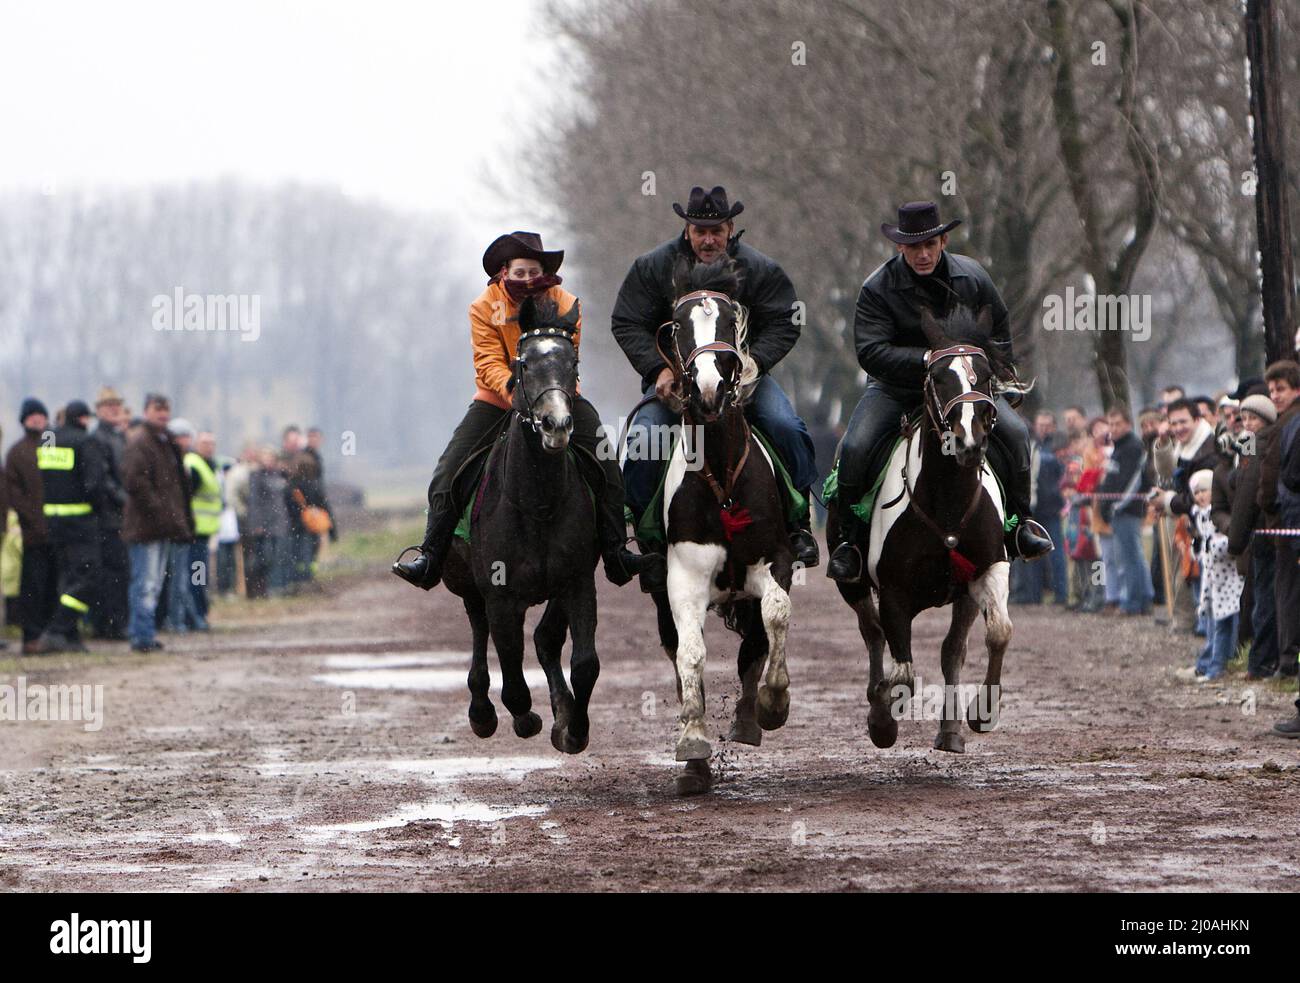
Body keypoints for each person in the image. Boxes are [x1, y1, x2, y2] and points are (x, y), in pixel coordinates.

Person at [393, 231, 662, 591]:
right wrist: (513, 390)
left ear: (544, 273)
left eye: (532, 272)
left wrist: (547, 394)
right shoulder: (483, 307)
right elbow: (487, 360)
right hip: (497, 399)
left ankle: (616, 551)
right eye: (519, 272)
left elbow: (566, 359)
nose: (526, 279)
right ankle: (431, 555)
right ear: (503, 271)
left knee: (607, 463)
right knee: (447, 471)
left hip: (558, 397)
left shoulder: (567, 304)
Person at [826, 201, 1052, 582]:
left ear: (944, 240)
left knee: (1015, 432)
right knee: (855, 446)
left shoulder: (974, 277)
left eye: (930, 244)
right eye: (914, 247)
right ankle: (849, 541)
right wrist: (929, 359)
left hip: (965, 387)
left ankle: (1020, 525)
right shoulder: (876, 288)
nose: (924, 253)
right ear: (900, 247)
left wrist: (1000, 377)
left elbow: (999, 331)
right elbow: (870, 351)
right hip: (896, 388)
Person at [610, 185, 820, 573]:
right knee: (644, 438)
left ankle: (798, 525)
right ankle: (644, 538)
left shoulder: (759, 269)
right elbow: (627, 321)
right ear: (687, 229)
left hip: (745, 380)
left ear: (731, 228)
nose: (708, 240)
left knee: (786, 426)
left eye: (717, 231)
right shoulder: (653, 267)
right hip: (674, 383)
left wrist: (754, 361)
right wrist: (658, 369)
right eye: (700, 231)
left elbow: (786, 321)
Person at [34, 400, 110, 653]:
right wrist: (101, 510)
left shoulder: (47, 438)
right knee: (89, 575)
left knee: (65, 576)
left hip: (52, 520)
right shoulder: (85, 441)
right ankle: (57, 629)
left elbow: (42, 476)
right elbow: (94, 485)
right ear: (83, 419)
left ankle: (70, 636)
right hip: (80, 521)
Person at [122, 394, 194, 652]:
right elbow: (135, 482)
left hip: (161, 525)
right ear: (146, 411)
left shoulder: (165, 442)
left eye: (166, 409)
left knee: (153, 583)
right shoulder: (141, 442)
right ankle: (141, 635)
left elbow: (175, 487)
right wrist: (160, 512)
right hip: (146, 527)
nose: (162, 414)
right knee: (145, 583)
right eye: (157, 409)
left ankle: (145, 633)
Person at [1258, 361, 1300, 737]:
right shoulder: (1286, 424)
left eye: (1282, 388)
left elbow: (1290, 477)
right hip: (1287, 527)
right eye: (1272, 390)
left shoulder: (1294, 425)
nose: (1276, 395)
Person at [1227, 393, 1278, 678]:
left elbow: (1246, 496)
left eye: (1253, 418)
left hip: (1260, 533)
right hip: (1264, 532)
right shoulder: (1250, 445)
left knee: (1263, 600)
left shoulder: (1256, 447)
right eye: (1243, 418)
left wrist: (1236, 540)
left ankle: (1260, 662)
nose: (1247, 423)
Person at [5, 399, 57, 652]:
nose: (37, 419)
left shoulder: (53, 445)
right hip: (33, 533)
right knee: (32, 587)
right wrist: (33, 521)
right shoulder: (17, 452)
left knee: (53, 586)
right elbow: (15, 493)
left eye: (41, 415)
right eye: (32, 415)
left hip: (57, 530)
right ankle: (32, 636)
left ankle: (51, 633)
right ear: (24, 420)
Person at [1099, 405, 1152, 615]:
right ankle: (1142, 597)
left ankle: (1134, 602)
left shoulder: (1132, 447)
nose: (1113, 428)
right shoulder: (1118, 447)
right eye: (1110, 424)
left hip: (1126, 510)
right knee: (1129, 556)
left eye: (1118, 424)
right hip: (1116, 510)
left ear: (1128, 424)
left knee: (1131, 557)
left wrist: (1116, 505)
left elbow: (1133, 481)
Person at [89, 387, 130, 640]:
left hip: (118, 516)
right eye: (109, 405)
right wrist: (125, 500)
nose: (114, 408)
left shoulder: (117, 437)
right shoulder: (98, 439)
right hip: (108, 518)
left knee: (119, 572)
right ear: (99, 410)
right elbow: (102, 480)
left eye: (117, 404)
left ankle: (115, 622)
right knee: (112, 573)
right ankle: (109, 624)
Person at [164, 418, 208, 632]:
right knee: (189, 577)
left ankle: (195, 615)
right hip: (189, 530)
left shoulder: (193, 462)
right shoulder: (188, 463)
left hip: (197, 529)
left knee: (194, 576)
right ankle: (191, 616)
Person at [184, 430, 222, 620]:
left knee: (199, 575)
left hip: (204, 531)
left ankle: (198, 612)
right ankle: (196, 614)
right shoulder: (194, 466)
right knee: (197, 576)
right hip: (195, 532)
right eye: (205, 443)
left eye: (212, 443)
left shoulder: (210, 465)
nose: (209, 447)